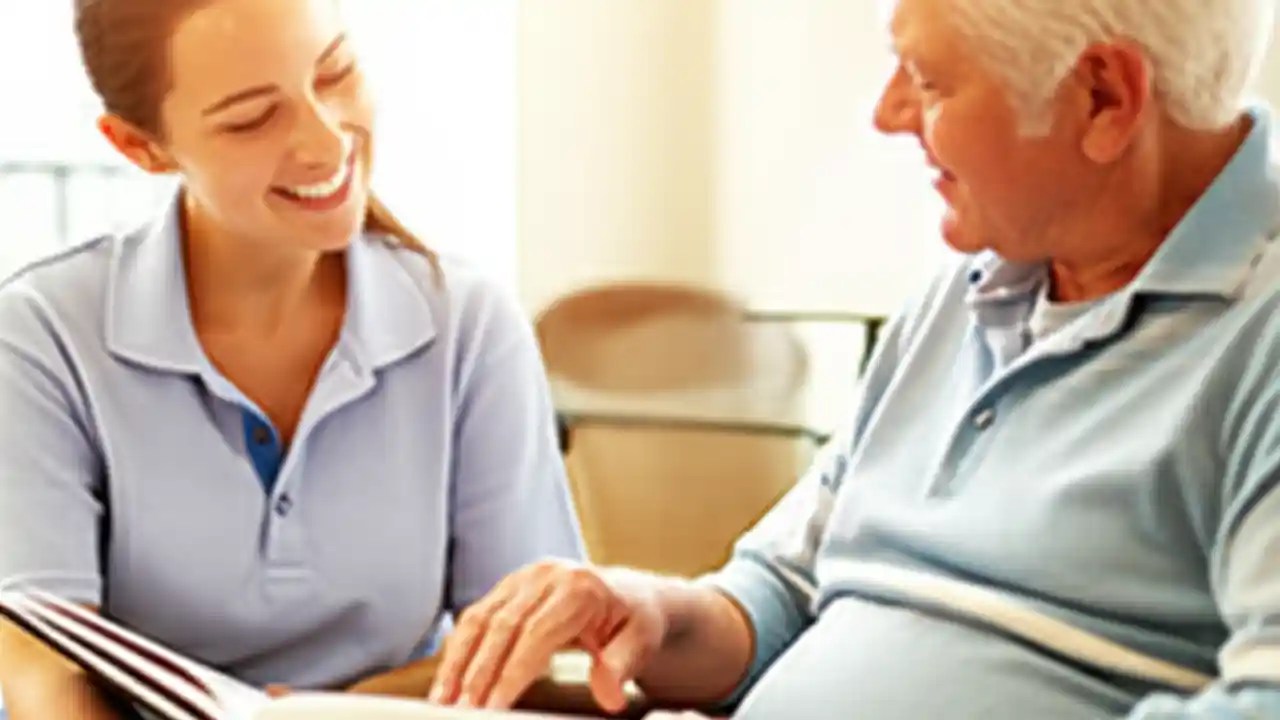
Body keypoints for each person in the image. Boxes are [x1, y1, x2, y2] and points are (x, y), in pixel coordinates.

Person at [426, 0, 1280, 717]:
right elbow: (783, 591)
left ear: (1104, 99)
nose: (888, 113)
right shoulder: (965, 293)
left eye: (931, 82)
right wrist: (643, 610)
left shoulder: (1261, 338)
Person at [0, 0, 583, 718]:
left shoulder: (467, 325)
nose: (325, 141)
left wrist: (333, 708)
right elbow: (40, 665)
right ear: (139, 147)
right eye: (251, 119)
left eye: (334, 72)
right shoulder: (44, 335)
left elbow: (529, 648)